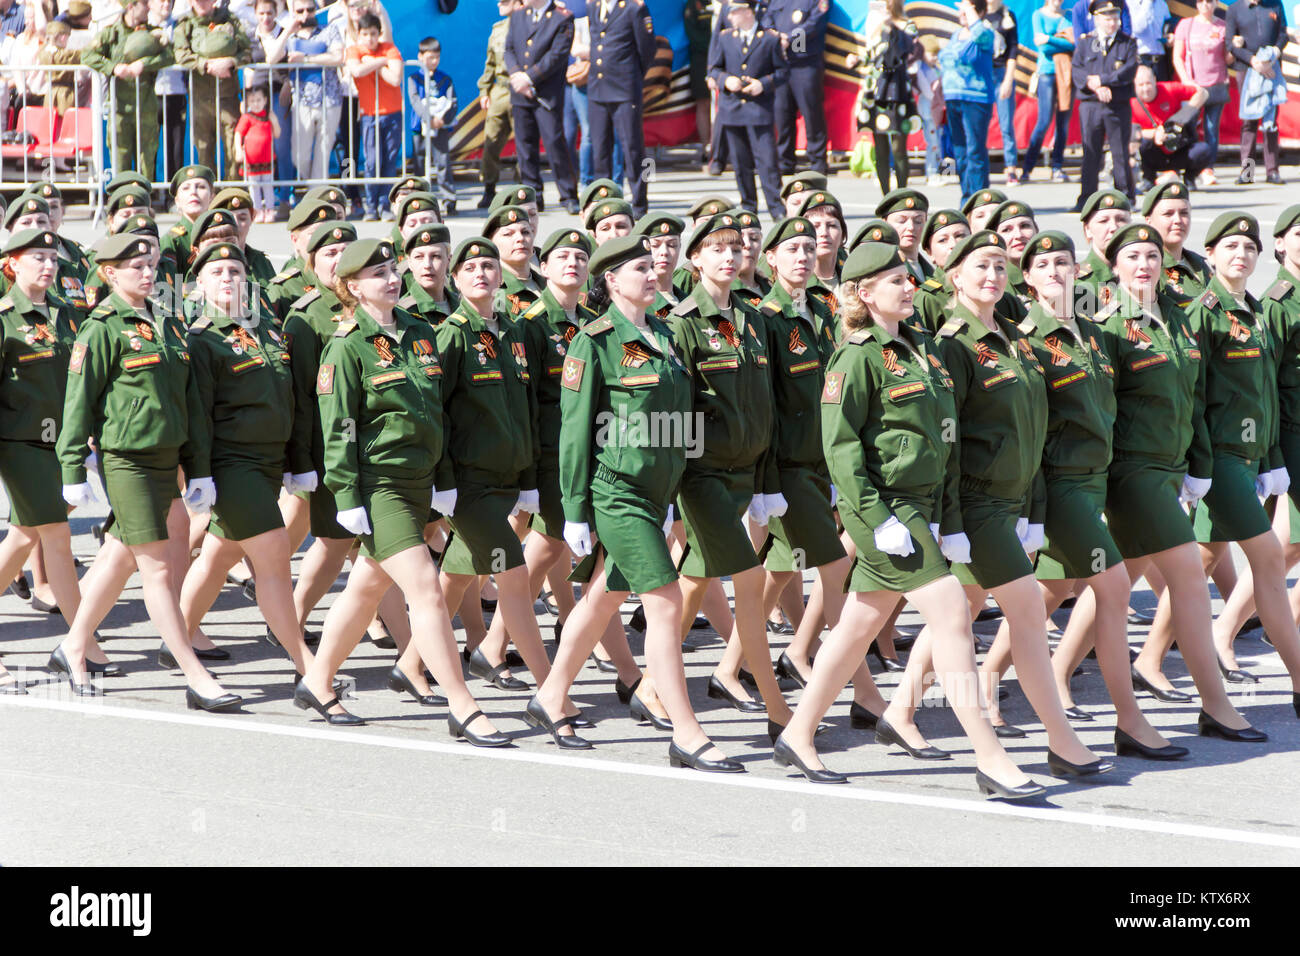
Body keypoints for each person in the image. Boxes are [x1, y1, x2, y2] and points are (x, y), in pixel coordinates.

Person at [774, 238, 1047, 795]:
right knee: (951, 613)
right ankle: (989, 755)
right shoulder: (855, 356)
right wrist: (878, 521)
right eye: (895, 281)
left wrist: (949, 521)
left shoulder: (921, 349)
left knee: (857, 626)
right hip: (882, 510)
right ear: (863, 293)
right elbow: (841, 450)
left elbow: (944, 443)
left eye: (908, 278)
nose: (908, 287)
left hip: (922, 508)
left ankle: (798, 732)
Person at [528, 234, 742, 770]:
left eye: (654, 266)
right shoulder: (594, 341)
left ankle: (550, 697)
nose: (654, 274)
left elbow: (678, 417)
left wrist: (672, 493)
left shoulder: (666, 334)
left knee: (603, 596)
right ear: (611, 280)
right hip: (616, 492)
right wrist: (575, 509)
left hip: (654, 493)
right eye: (641, 268)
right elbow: (574, 433)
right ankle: (687, 732)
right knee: (666, 602)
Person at [298, 238, 511, 743]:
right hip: (379, 486)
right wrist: (347, 497)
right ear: (352, 287)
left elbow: (436, 410)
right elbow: (340, 427)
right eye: (377, 275)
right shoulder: (346, 345)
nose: (392, 279)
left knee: (367, 585)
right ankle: (463, 705)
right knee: (426, 589)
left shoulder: (418, 331)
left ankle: (318, 680)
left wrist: (445, 481)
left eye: (393, 270)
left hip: (419, 483)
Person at [1068, 221, 1262, 736]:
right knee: (1190, 583)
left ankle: (1050, 673)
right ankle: (1216, 707)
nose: (1145, 264)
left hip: (1172, 468)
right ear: (1113, 266)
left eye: (1152, 255)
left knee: (1110, 587)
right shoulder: (1106, 325)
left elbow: (1193, 400)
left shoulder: (1175, 319)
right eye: (1132, 256)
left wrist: (1198, 468)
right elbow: (1092, 408)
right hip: (1132, 471)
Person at [1008, 230, 1188, 755]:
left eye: (1064, 262)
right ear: (1029, 278)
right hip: (1057, 488)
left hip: (1094, 484)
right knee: (1109, 588)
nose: (1056, 272)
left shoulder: (1092, 332)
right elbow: (1030, 433)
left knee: (1016, 596)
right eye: (1043, 265)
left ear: (1078, 270)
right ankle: (1128, 722)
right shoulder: (1027, 340)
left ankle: (906, 704)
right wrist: (1032, 511)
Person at [53, 233, 241, 712]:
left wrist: (197, 468)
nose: (146, 271)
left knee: (120, 554)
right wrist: (72, 464)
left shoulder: (168, 324)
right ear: (109, 273)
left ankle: (73, 646)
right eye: (134, 265)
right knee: (157, 567)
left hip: (167, 460)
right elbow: (78, 403)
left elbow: (190, 404)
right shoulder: (101, 328)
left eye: (150, 263)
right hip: (127, 460)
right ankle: (194, 674)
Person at [1172, 213, 1300, 711]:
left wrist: (1270, 457)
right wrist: (1199, 465)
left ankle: (1152, 657)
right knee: (1269, 557)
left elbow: (1263, 391)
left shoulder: (1252, 310)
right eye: (1230, 246)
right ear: (1212, 253)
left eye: (1248, 246)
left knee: (1198, 560)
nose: (1241, 255)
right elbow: (1195, 394)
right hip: (1219, 456)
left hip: (1250, 455)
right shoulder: (1203, 312)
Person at [176, 241, 318, 682]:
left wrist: (298, 461)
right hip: (233, 466)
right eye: (216, 273)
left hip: (269, 462)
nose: (227, 279)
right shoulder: (203, 340)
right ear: (198, 284)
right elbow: (197, 415)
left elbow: (288, 401)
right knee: (274, 560)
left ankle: (175, 635)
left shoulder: (267, 331)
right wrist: (200, 475)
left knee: (218, 557)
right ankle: (309, 670)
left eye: (235, 271)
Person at [432, 238, 554, 702]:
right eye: (470, 267)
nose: (481, 273)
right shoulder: (451, 336)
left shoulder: (514, 335)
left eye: (489, 265)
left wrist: (528, 483)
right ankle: (550, 688)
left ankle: (411, 664)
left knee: (455, 577)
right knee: (515, 578)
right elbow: (437, 415)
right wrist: (442, 484)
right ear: (455, 279)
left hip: (507, 479)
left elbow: (525, 410)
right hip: (469, 487)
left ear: (501, 276)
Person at [0, 229, 87, 694]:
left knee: (22, 539)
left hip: (61, 445)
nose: (49, 266)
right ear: (12, 264)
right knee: (55, 535)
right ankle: (82, 644)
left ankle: (81, 642)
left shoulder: (68, 316)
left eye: (52, 257)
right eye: (37, 257)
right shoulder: (5, 319)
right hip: (19, 443)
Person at [81, 0, 172, 182]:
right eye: (145, 4)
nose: (149, 7)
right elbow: (87, 55)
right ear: (131, 6)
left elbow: (169, 55)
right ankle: (123, 199)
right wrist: (113, 67)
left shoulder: (152, 32)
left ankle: (145, 199)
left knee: (146, 157)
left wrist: (144, 64)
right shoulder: (111, 33)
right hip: (119, 106)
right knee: (120, 156)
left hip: (145, 104)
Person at [505, 0, 581, 215]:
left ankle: (568, 194)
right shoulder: (519, 16)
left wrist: (529, 78)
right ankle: (533, 194)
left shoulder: (562, 17)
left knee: (554, 142)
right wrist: (516, 76)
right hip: (520, 91)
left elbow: (557, 55)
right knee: (525, 145)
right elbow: (509, 49)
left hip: (545, 93)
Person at [586, 0, 656, 217]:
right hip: (598, 88)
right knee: (600, 149)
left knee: (634, 148)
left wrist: (633, 76)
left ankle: (640, 203)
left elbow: (647, 48)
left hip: (624, 89)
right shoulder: (594, 6)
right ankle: (606, 201)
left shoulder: (634, 8)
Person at [1072, 0, 1137, 212]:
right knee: (1091, 153)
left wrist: (1103, 80)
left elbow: (1128, 70)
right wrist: (1093, 85)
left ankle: (1125, 198)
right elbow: (1077, 70)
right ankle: (1086, 200)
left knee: (1119, 153)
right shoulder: (1085, 43)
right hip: (1091, 105)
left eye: (1115, 18)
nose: (1112, 22)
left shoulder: (1127, 43)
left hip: (1116, 104)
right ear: (1097, 19)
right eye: (1107, 18)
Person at [174, 0, 252, 178]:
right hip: (201, 99)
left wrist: (232, 62)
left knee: (233, 152)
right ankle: (208, 197)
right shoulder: (185, 25)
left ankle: (233, 199)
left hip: (227, 96)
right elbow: (180, 54)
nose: (202, 3)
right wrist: (207, 65)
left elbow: (247, 50)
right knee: (204, 152)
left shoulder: (229, 20)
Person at [278, 0, 346, 187]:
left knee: (323, 155)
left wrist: (305, 59)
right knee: (298, 156)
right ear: (293, 12)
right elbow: (272, 58)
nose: (306, 14)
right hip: (301, 101)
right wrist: (286, 32)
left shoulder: (329, 30)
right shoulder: (289, 38)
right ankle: (314, 189)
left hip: (329, 99)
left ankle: (316, 198)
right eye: (300, 10)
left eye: (310, 9)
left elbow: (338, 57)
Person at [346, 12, 403, 221]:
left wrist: (373, 62)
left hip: (393, 113)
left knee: (389, 160)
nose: (369, 38)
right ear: (359, 35)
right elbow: (357, 71)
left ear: (379, 34)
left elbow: (395, 78)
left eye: (373, 34)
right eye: (365, 34)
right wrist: (381, 62)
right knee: (371, 162)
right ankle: (370, 205)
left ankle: (384, 204)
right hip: (370, 114)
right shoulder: (354, 50)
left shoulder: (389, 48)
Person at [939, 0, 996, 205]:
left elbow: (979, 32)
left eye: (967, 8)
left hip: (976, 99)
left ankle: (980, 199)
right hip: (953, 98)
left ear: (978, 11)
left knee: (974, 150)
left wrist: (970, 9)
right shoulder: (956, 36)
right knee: (960, 151)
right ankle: (966, 198)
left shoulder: (986, 34)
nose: (961, 12)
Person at [858, 0, 918, 194]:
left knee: (899, 148)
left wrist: (892, 27)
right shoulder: (874, 22)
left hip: (898, 87)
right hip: (877, 87)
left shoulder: (907, 24)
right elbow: (871, 53)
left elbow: (909, 51)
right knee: (881, 148)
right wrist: (857, 59)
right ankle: (886, 199)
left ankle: (901, 195)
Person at [1225, 0, 1286, 184]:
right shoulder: (1235, 9)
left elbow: (1283, 34)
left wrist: (1274, 52)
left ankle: (1272, 171)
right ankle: (1248, 172)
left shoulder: (1275, 4)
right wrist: (1253, 61)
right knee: (1249, 122)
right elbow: (1230, 43)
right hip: (1248, 69)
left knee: (1270, 122)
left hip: (1271, 68)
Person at [766, 0, 829, 176]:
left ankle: (817, 161)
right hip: (780, 63)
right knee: (782, 113)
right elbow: (766, 19)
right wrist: (775, 38)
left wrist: (789, 38)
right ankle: (785, 162)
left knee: (811, 113)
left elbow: (815, 24)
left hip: (805, 63)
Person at [1173, 0, 1228, 188]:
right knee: (1189, 129)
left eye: (1210, 1)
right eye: (1202, 1)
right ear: (1197, 4)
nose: (1206, 5)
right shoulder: (1186, 25)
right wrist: (1186, 80)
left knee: (1212, 129)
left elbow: (1228, 57)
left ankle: (1208, 169)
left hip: (1216, 84)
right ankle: (1189, 170)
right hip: (1193, 87)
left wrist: (1236, 46)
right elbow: (1177, 57)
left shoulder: (1223, 26)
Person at [1131, 66, 1212, 191]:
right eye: (1141, 85)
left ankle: (1189, 178)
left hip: (1177, 145)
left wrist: (1181, 118)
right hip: (1153, 150)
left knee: (1204, 150)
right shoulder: (1130, 101)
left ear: (1154, 80)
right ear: (1134, 85)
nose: (1145, 88)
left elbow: (1203, 93)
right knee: (1142, 143)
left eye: (1148, 83)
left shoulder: (1169, 88)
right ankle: (1148, 179)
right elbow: (1130, 131)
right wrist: (1155, 133)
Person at [1020, 0, 1072, 185]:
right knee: (1043, 121)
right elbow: (1043, 48)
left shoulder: (1068, 16)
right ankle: (1027, 167)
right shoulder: (1038, 15)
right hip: (1047, 73)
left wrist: (1049, 38)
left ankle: (1057, 166)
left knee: (1063, 122)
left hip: (1066, 73)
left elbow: (1073, 44)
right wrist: (1059, 41)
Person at [477, 0, 520, 210]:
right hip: (500, 90)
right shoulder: (498, 29)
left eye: (504, 1)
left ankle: (521, 188)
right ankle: (488, 187)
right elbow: (490, 63)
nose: (498, 4)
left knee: (524, 142)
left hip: (521, 89)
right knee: (491, 141)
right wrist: (484, 89)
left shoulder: (528, 25)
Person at [408, 36, 458, 215]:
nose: (433, 61)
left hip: (441, 128)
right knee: (420, 161)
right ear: (420, 56)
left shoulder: (445, 79)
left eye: (437, 57)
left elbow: (453, 102)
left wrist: (442, 120)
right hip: (419, 127)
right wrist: (428, 118)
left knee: (443, 161)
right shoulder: (414, 78)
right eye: (430, 57)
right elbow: (415, 101)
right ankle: (420, 198)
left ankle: (449, 198)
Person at [1140, 179, 1210, 308]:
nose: (1178, 220)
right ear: (1149, 221)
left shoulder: (1201, 265)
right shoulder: (1147, 270)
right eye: (1168, 214)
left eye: (1184, 213)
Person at [151, 0, 188, 185]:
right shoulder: (144, 26)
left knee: (176, 147)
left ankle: (174, 193)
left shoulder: (181, 25)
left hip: (176, 92)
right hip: (151, 94)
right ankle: (150, 193)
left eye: (169, 1)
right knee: (149, 148)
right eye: (161, 0)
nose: (166, 4)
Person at [1074, 188, 1130, 310]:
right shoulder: (1077, 283)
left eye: (1121, 220)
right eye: (1103, 221)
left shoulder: (1145, 274)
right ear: (1088, 230)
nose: (1113, 227)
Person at [984, 0, 1020, 186]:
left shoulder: (1007, 15)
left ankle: (1011, 168)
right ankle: (978, 169)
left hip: (1001, 72)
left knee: (1006, 123)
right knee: (979, 123)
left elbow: (1013, 49)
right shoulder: (978, 13)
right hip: (982, 75)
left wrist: (1008, 79)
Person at [235, 84, 281, 223]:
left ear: (265, 100)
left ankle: (270, 210)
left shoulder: (268, 116)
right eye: (252, 101)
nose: (256, 104)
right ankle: (257, 211)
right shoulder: (247, 117)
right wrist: (238, 149)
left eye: (259, 100)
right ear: (248, 103)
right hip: (251, 160)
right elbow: (238, 133)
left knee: (268, 186)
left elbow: (277, 134)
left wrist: (275, 121)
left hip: (266, 159)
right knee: (254, 187)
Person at [397, 222, 458, 323]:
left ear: (449, 260)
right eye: (419, 257)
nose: (427, 265)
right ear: (409, 262)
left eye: (436, 256)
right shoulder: (403, 312)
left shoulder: (461, 305)